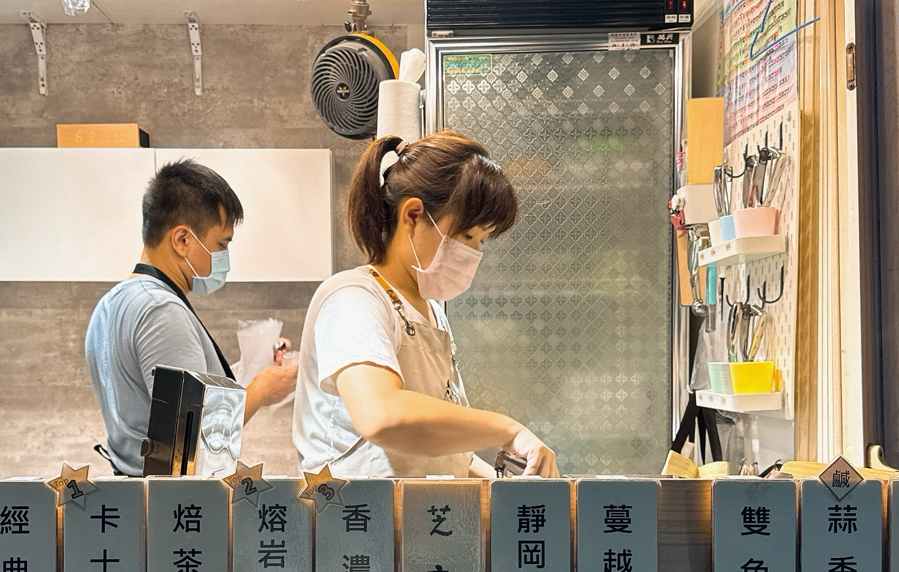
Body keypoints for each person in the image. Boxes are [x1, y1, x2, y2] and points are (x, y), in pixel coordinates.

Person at [293, 130, 558, 478]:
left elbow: (445, 454)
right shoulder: (352, 298)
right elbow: (382, 415)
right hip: (355, 519)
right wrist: (508, 430)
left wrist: (504, 485)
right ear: (414, 215)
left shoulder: (431, 313)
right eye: (467, 236)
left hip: (419, 518)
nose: (474, 253)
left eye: (482, 240)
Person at [86, 159, 297, 476]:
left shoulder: (113, 303)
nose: (223, 257)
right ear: (182, 239)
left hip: (143, 494)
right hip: (171, 507)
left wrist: (255, 371)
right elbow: (189, 439)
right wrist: (260, 392)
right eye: (220, 245)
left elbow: (162, 402)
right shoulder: (159, 310)